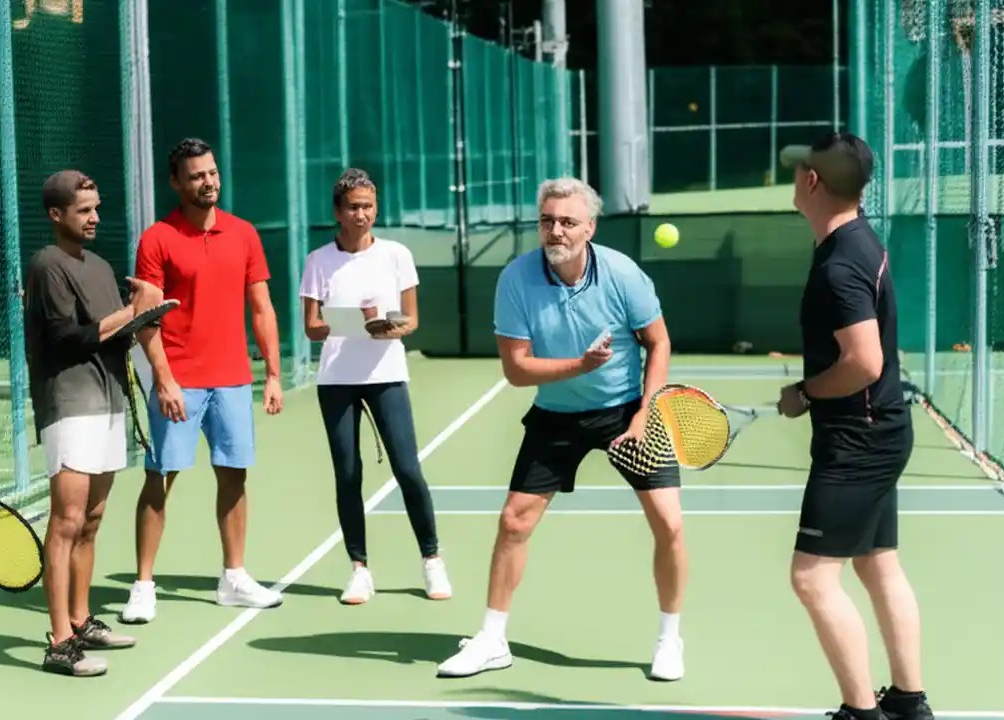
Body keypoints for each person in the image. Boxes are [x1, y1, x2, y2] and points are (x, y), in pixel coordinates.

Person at [436, 177, 686, 682]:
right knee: (514, 523)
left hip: (627, 410)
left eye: (568, 222)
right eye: (547, 221)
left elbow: (658, 343)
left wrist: (645, 413)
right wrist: (581, 365)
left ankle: (670, 639)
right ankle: (492, 639)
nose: (556, 231)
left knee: (670, 524)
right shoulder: (516, 279)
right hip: (556, 412)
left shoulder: (622, 274)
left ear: (589, 228)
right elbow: (516, 370)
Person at [777, 133, 933, 720]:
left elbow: (863, 362)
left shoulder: (840, 264)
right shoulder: (857, 242)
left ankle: (861, 712)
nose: (795, 180)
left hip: (858, 442)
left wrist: (805, 393)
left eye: (799, 172)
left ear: (813, 182)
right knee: (877, 562)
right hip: (882, 429)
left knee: (812, 579)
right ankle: (910, 703)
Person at [120, 137, 285, 623]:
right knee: (160, 477)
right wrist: (165, 380)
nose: (208, 181)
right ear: (177, 182)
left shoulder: (243, 234)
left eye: (212, 172)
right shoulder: (157, 239)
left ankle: (234, 577)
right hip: (180, 380)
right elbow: (145, 318)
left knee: (234, 476)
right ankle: (143, 585)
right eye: (196, 175)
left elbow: (261, 307)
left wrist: (272, 373)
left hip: (233, 380)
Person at [24, 170, 160, 675]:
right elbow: (68, 338)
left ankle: (81, 620)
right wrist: (132, 310)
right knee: (66, 522)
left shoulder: (102, 267)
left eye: (97, 208)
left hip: (108, 402)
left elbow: (115, 336)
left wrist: (146, 316)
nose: (95, 217)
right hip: (69, 404)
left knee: (93, 520)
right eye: (84, 210)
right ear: (57, 215)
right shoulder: (47, 265)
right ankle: (59, 641)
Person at [298, 168, 451, 605]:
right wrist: (352, 322)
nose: (361, 213)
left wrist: (389, 327)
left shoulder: (397, 254)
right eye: (353, 207)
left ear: (376, 207)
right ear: (338, 212)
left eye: (367, 206)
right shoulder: (318, 260)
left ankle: (432, 560)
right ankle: (359, 569)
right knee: (348, 474)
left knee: (408, 470)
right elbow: (311, 328)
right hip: (337, 382)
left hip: (387, 376)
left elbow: (412, 319)